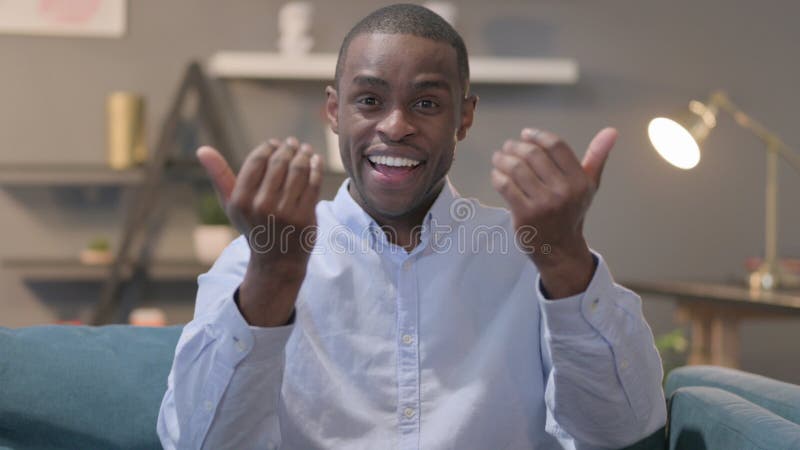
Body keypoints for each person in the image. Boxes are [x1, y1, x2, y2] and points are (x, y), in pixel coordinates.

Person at [158, 4, 666, 449]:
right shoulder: (259, 257)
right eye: (370, 100)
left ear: (463, 117)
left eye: (426, 103)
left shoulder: (532, 253)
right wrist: (273, 277)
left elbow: (621, 430)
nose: (396, 125)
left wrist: (567, 259)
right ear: (335, 111)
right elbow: (198, 442)